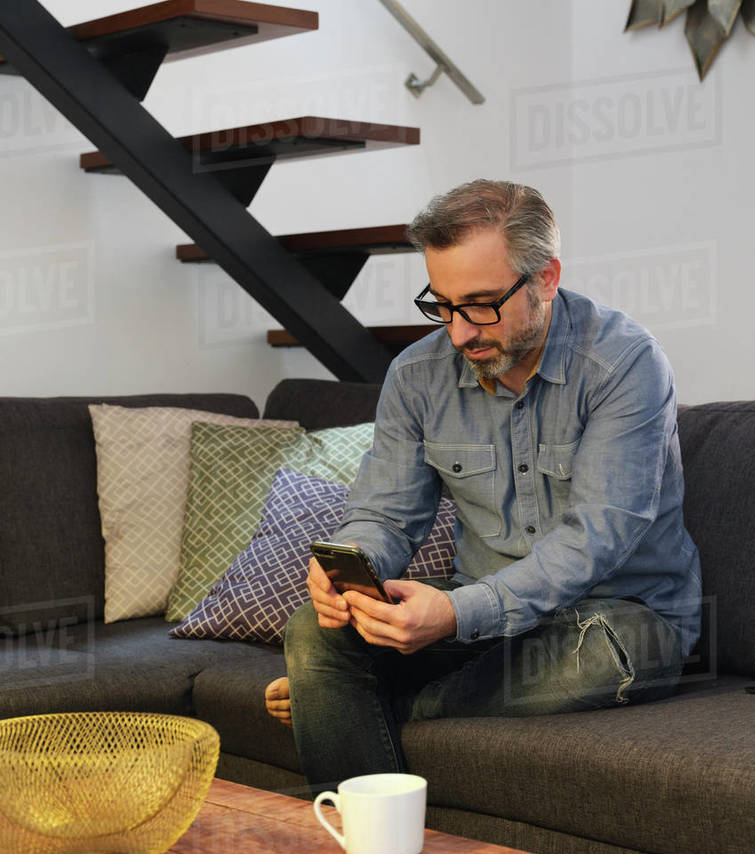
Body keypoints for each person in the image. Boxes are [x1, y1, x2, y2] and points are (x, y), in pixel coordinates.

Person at [266, 179, 702, 789]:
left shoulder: (625, 363)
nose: (460, 333)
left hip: (619, 618)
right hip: (478, 618)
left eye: (480, 304)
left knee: (600, 659)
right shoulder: (417, 375)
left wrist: (453, 613)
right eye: (441, 305)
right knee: (316, 630)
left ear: (546, 279)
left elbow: (598, 535)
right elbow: (387, 515)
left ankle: (349, 704)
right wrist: (356, 563)